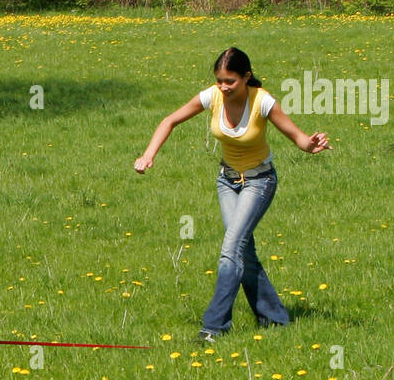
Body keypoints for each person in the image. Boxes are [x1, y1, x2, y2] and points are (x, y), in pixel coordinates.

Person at [134, 48, 331, 342]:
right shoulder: (212, 96)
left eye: (230, 81)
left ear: (246, 77)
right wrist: (148, 155)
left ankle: (213, 327)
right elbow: (170, 120)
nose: (224, 87)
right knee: (242, 251)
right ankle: (275, 318)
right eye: (220, 80)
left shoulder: (262, 101)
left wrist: (311, 145)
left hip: (259, 181)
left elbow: (297, 136)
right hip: (227, 182)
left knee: (231, 251)